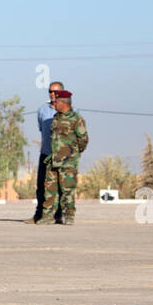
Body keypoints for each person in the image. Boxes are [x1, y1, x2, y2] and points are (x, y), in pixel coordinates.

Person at [39, 89, 87, 225]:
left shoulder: (76, 119)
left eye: (56, 102)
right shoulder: (55, 117)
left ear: (63, 102)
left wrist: (73, 154)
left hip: (68, 162)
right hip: (53, 160)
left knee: (67, 190)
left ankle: (69, 216)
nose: (54, 104)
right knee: (49, 190)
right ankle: (47, 216)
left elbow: (83, 139)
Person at [29, 81, 64, 224]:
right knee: (42, 186)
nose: (53, 94)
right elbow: (41, 128)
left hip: (61, 156)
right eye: (50, 91)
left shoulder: (68, 111)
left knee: (62, 187)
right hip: (45, 153)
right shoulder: (42, 110)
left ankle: (60, 215)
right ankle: (39, 214)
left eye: (56, 91)